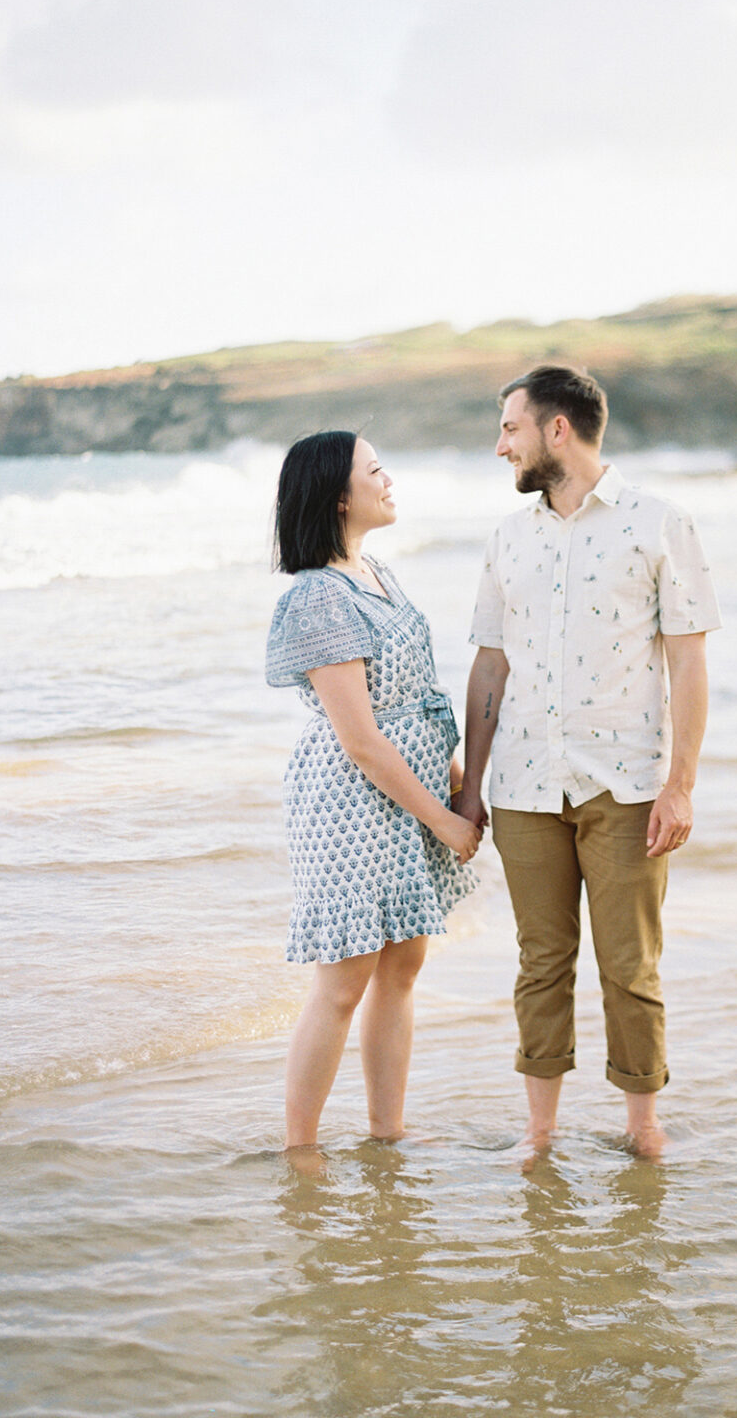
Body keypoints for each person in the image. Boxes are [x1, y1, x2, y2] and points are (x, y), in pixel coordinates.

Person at [455, 366, 720, 1158]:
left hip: (628, 785)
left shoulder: (656, 523)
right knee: (540, 964)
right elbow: (489, 667)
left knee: (628, 965)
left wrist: (680, 786)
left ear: (556, 429)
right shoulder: (507, 538)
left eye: (510, 428)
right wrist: (471, 788)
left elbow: (688, 661)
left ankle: (642, 1128)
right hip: (526, 788)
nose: (500, 445)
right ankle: (539, 1136)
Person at [266, 430, 480, 1157]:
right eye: (375, 471)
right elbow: (359, 738)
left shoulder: (378, 572)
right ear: (336, 496)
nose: (390, 482)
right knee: (345, 978)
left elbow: (416, 696)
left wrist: (453, 786)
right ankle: (302, 1150)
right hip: (352, 802)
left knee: (404, 964)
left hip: (410, 789)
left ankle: (387, 1131)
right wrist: (447, 823)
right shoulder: (318, 597)